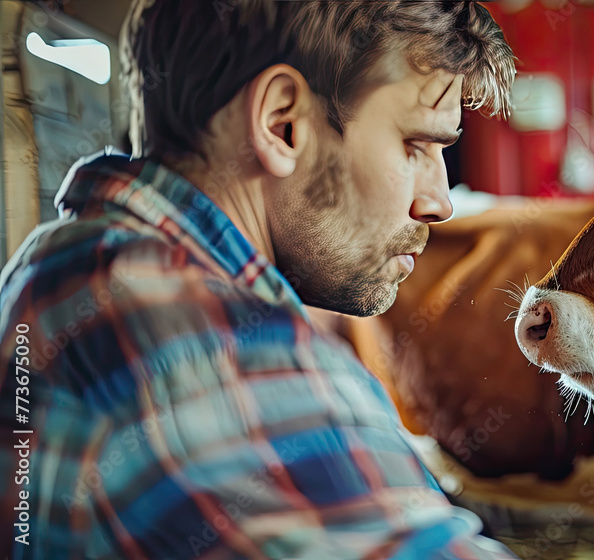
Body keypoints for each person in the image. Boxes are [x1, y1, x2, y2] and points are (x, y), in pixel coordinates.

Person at [0, 0, 517, 557]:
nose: (438, 202)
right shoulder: (190, 332)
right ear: (282, 124)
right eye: (416, 144)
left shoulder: (58, 262)